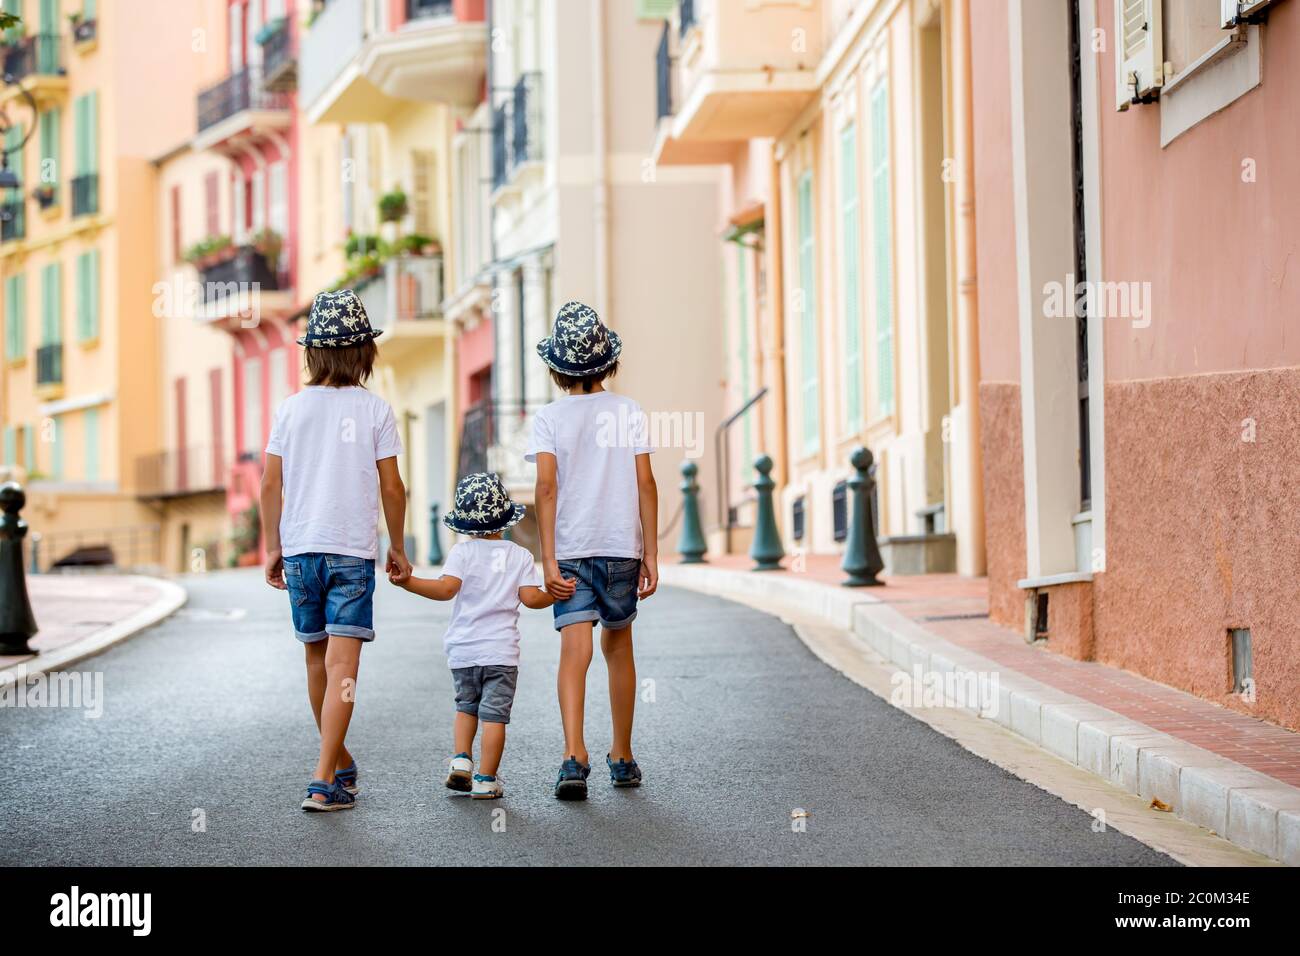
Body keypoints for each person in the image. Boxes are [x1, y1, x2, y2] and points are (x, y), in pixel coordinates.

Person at [261, 289, 411, 812]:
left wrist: (274, 545)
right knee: (344, 671)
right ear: (363, 352)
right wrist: (397, 543)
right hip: (350, 552)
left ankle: (339, 761)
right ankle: (323, 779)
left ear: (313, 353)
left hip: (300, 549)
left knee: (317, 664)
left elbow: (269, 485)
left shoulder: (290, 409)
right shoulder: (376, 410)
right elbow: (393, 488)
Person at [527, 300, 658, 800]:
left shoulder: (549, 418)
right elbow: (646, 484)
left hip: (573, 548)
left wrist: (549, 559)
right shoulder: (628, 411)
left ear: (557, 368)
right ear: (609, 362)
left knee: (574, 650)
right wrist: (650, 553)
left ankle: (573, 756)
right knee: (619, 647)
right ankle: (622, 756)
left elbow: (545, 489)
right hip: (620, 547)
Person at [391, 473, 552, 800]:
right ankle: (485, 779)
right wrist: (557, 594)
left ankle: (461, 760)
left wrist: (409, 582)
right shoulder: (519, 556)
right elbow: (533, 599)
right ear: (506, 520)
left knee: (466, 707)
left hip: (463, 651)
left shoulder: (461, 554)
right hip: (501, 654)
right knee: (494, 716)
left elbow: (445, 590)